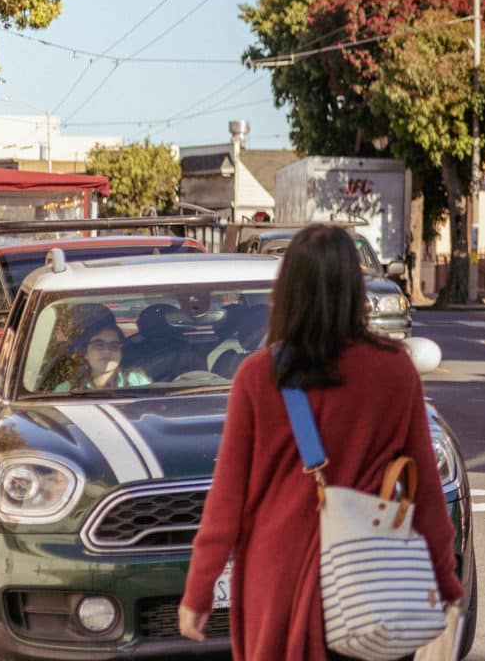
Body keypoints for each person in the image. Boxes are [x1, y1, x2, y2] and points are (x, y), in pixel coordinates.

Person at [179, 224, 461, 659]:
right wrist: (445, 582)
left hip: (278, 582)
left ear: (287, 290)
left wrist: (198, 593)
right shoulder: (394, 371)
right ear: (354, 288)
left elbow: (226, 503)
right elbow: (425, 494)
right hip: (370, 581)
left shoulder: (258, 377)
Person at [47, 305, 151, 391]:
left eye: (114, 346)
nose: (107, 350)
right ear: (85, 353)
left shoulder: (138, 382)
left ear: (121, 352)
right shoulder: (66, 390)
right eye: (99, 344)